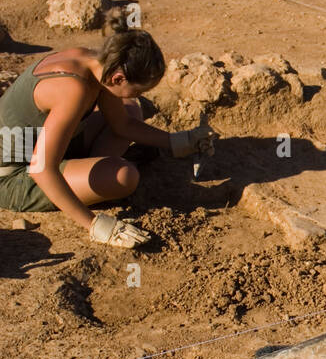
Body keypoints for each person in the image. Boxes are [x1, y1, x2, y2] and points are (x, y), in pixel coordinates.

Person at [0, 29, 216, 246]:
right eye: (137, 91)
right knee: (124, 176)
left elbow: (121, 124)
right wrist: (96, 225)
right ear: (119, 77)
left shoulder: (93, 62)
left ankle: (91, 173)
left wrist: (180, 141)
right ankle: (96, 179)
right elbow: (41, 169)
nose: (138, 96)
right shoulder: (73, 90)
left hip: (40, 146)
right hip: (15, 176)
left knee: (130, 109)